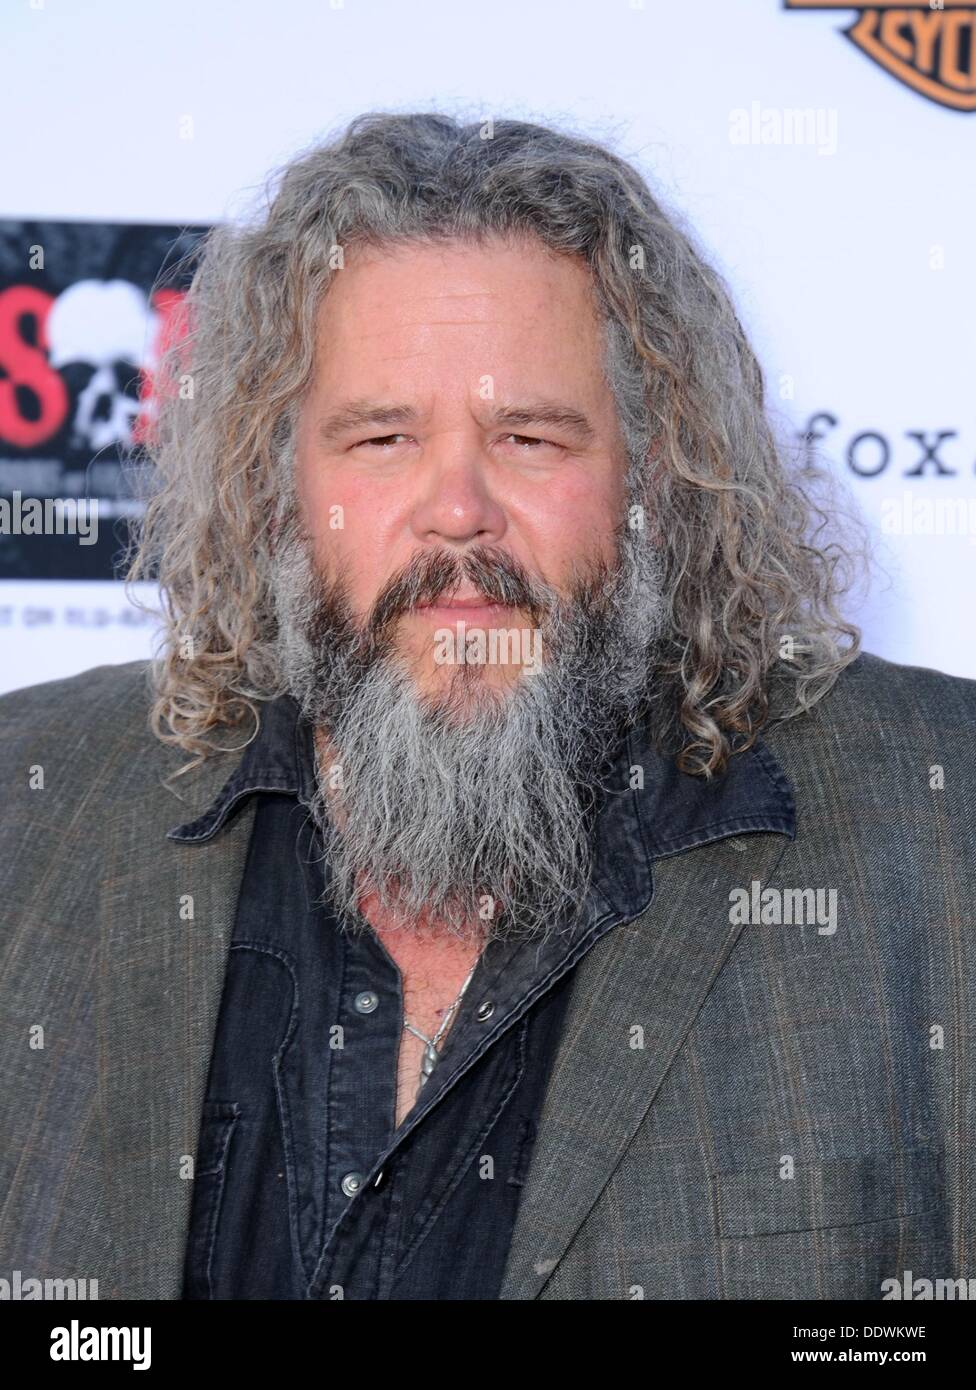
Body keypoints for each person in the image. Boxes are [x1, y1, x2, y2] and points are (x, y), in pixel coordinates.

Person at [1, 112, 973, 1301]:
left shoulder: (941, 826)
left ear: (654, 477)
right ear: (276, 484)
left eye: (527, 435)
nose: (456, 510)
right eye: (380, 436)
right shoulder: (26, 802)